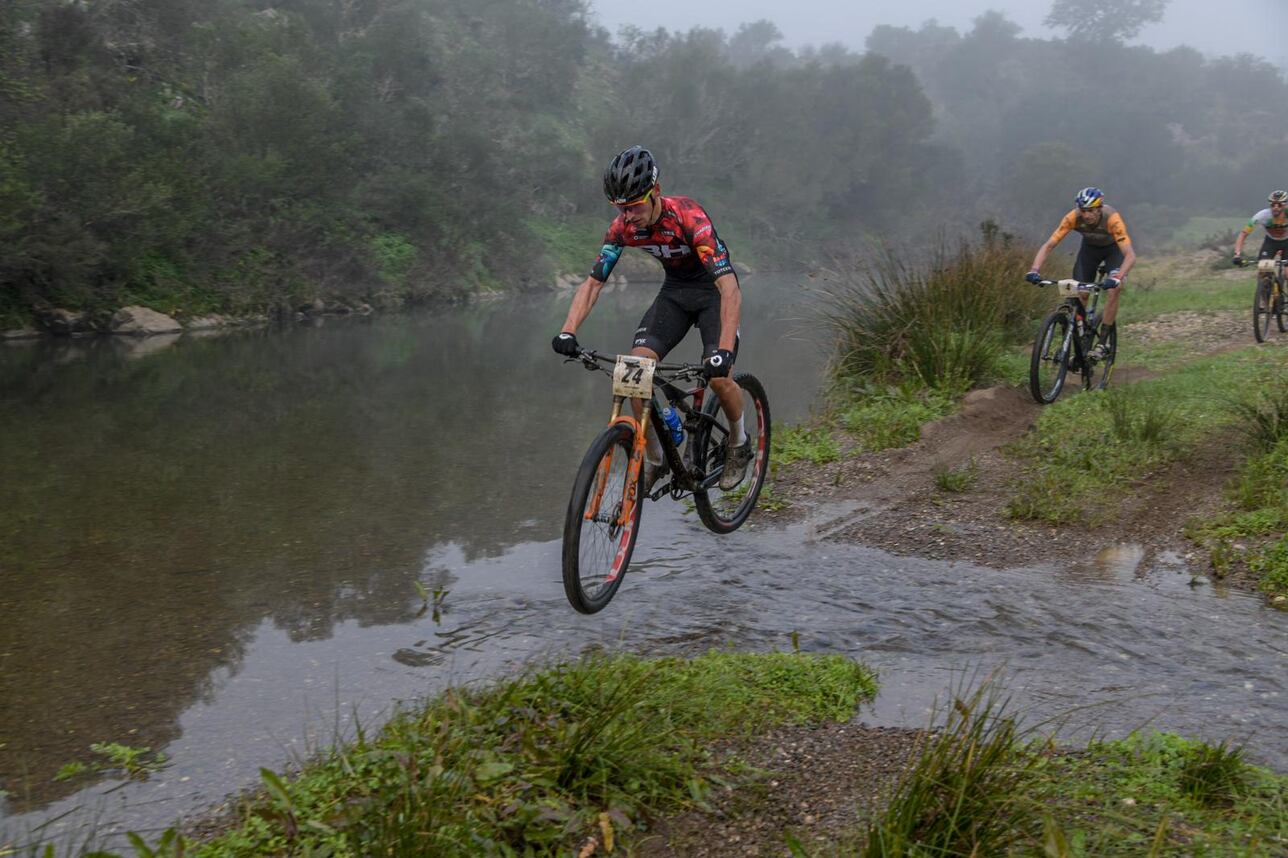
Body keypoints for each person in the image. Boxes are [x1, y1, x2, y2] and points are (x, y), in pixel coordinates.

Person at [551, 145, 751, 491]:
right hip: (673, 294)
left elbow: (730, 288)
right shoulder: (622, 229)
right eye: (619, 208)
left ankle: (739, 441)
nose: (627, 216)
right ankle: (656, 459)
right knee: (631, 375)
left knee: (719, 378)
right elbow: (594, 283)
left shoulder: (689, 217)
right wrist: (568, 331)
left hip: (712, 295)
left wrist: (724, 352)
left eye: (633, 206)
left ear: (655, 191)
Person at [1025, 187, 1136, 362]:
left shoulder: (1112, 219)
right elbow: (1049, 245)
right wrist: (1034, 270)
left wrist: (1117, 277)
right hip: (1089, 252)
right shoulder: (1072, 217)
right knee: (1077, 292)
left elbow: (1130, 256)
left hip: (1113, 251)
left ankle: (1102, 343)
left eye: (1091, 211)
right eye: (1083, 211)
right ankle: (1079, 337)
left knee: (1115, 290)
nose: (1087, 216)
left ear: (1099, 208)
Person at [1232, 190, 1288, 268]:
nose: (1275, 208)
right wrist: (1237, 254)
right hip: (1271, 242)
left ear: (1285, 205)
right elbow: (1243, 234)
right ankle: (1268, 278)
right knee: (1264, 269)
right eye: (1272, 205)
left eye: (1279, 205)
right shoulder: (1262, 216)